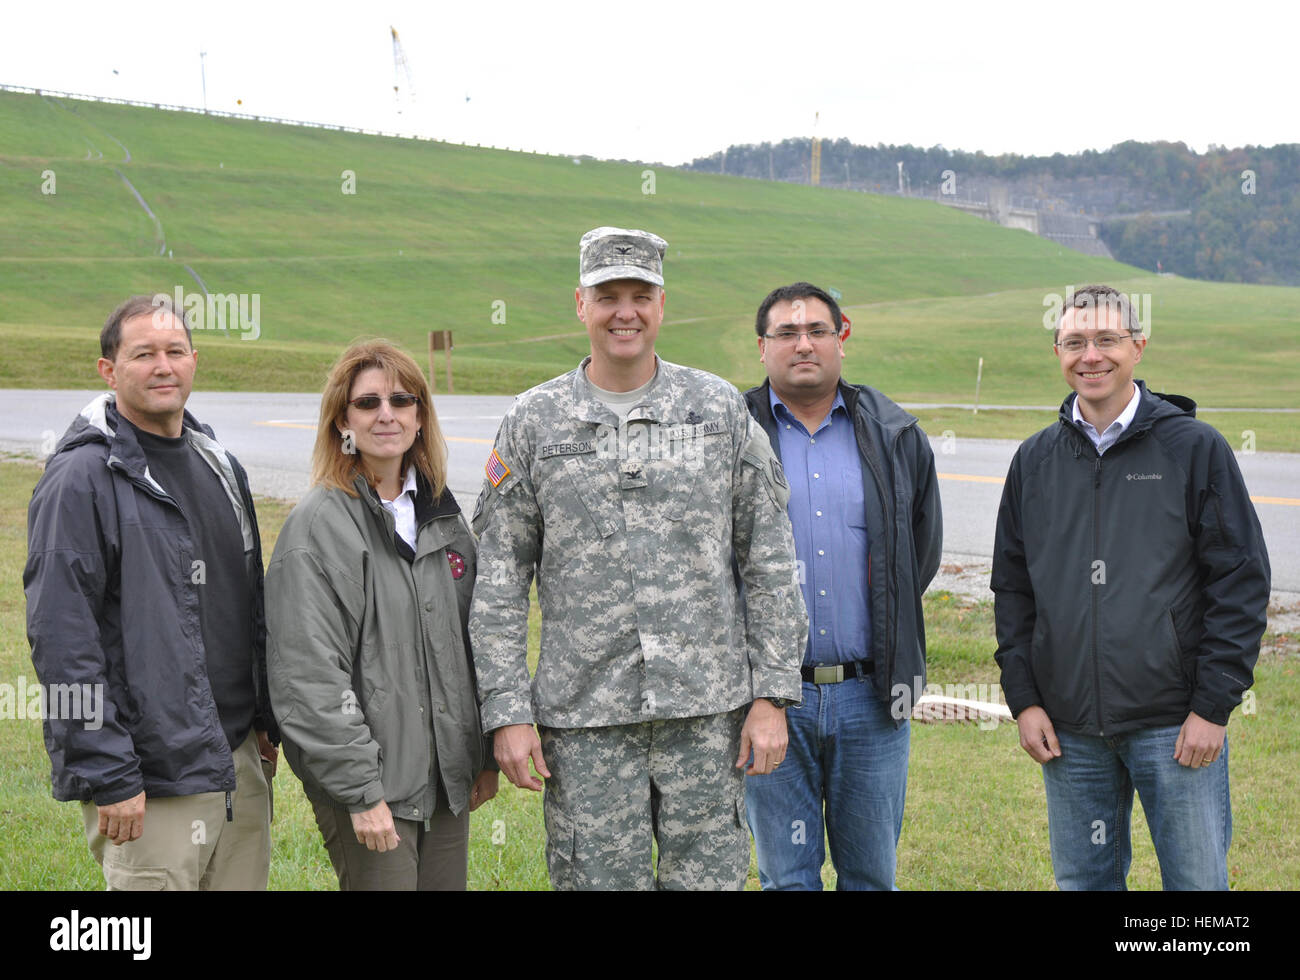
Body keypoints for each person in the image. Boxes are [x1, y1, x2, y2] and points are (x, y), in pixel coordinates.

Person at [469, 226, 807, 890]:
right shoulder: (535, 422)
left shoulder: (715, 412)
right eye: (608, 295)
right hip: (587, 721)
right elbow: (501, 578)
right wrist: (507, 711)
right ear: (580, 304)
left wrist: (772, 694)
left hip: (705, 714)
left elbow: (768, 559)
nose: (625, 311)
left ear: (661, 304)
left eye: (641, 294)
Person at [992, 284, 1270, 890]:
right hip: (1068, 729)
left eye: (1107, 340)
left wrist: (1212, 705)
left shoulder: (1193, 448)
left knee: (1196, 888)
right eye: (1074, 342)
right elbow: (1013, 591)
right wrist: (1026, 699)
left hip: (1175, 723)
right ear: (1058, 352)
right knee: (1083, 882)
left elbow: (1241, 581)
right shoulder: (1035, 461)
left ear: (1138, 346)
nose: (1091, 355)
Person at [25, 293, 278, 890]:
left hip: (233, 760)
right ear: (109, 371)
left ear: (195, 361)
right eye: (143, 354)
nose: (163, 366)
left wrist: (264, 719)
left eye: (175, 351)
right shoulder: (81, 478)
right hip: (151, 772)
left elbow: (248, 604)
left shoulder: (218, 462)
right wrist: (108, 771)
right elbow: (62, 640)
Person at [265, 340, 497, 890]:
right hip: (374, 789)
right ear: (342, 420)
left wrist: (480, 755)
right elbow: (308, 676)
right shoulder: (318, 526)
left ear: (420, 416)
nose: (386, 414)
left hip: (444, 786)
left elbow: (474, 644)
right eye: (368, 403)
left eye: (401, 399)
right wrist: (361, 791)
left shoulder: (443, 516)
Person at [742, 282, 942, 890]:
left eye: (817, 331)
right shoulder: (729, 432)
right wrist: (760, 692)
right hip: (768, 700)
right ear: (762, 347)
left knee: (871, 876)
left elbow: (920, 552)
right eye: (786, 333)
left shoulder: (894, 433)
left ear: (841, 339)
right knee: (786, 876)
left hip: (873, 696)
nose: (803, 345)